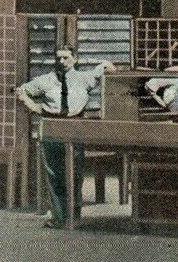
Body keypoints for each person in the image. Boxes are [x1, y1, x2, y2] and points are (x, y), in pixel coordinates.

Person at [14, 46, 116, 228]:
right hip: (52, 128)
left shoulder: (86, 78)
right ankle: (59, 218)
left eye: (66, 58)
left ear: (74, 59)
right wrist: (35, 108)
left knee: (75, 174)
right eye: (58, 58)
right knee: (55, 174)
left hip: (75, 127)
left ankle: (74, 217)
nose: (61, 62)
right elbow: (21, 91)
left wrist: (105, 68)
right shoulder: (45, 80)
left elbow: (108, 67)